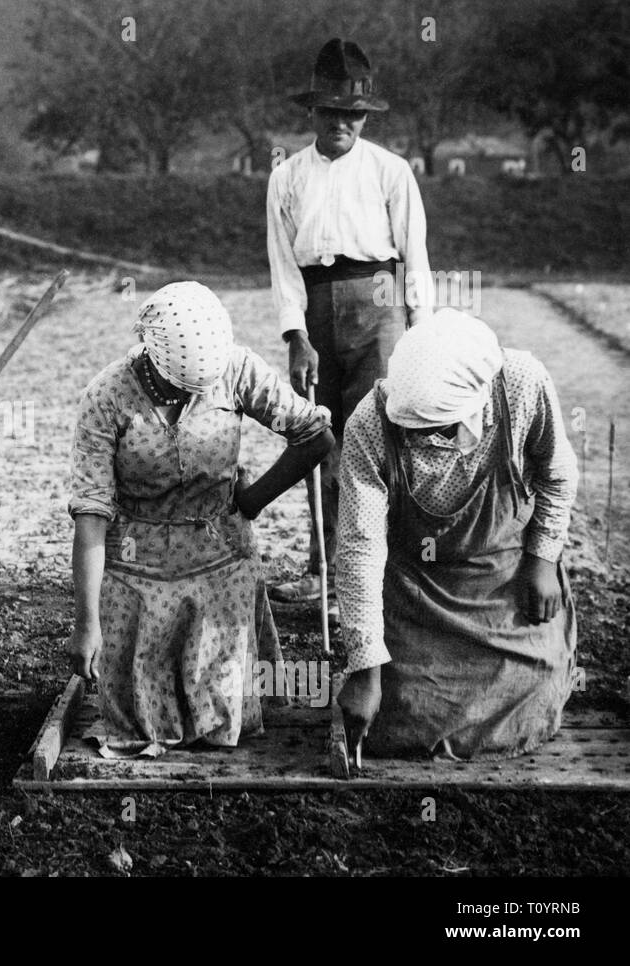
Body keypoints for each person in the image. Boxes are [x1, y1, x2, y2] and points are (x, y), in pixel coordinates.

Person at [66, 282, 335, 751]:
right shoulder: (106, 397)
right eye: (179, 385)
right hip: (135, 560)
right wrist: (86, 623)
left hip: (220, 551)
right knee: (141, 717)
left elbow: (315, 435)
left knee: (218, 712)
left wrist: (252, 501)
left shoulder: (236, 368)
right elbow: (91, 514)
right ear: (152, 357)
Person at [335, 310, 579, 759]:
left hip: (504, 578)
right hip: (417, 589)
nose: (425, 439)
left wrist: (542, 558)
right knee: (399, 711)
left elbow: (557, 473)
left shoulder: (522, 385)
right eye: (415, 430)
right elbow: (359, 548)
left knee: (535, 687)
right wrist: (365, 667)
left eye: (440, 428)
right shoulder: (368, 424)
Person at [266, 37, 431, 613]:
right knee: (320, 441)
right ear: (312, 112)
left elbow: (415, 256)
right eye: (333, 112)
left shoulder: (391, 171)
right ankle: (325, 571)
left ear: (365, 116)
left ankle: (383, 577)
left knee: (379, 443)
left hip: (380, 305)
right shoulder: (286, 177)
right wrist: (297, 336)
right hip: (316, 310)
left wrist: (419, 333)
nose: (343, 124)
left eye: (354, 114)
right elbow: (283, 265)